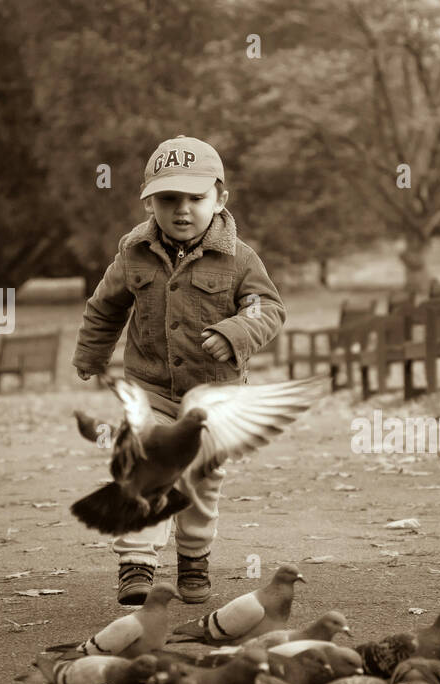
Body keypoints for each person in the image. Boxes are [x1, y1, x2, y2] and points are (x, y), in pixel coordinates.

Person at [71, 136, 285, 605]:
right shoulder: (133, 254)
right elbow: (105, 308)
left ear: (220, 198)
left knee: (201, 481)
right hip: (149, 392)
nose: (182, 210)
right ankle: (137, 565)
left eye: (196, 198)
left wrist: (235, 332)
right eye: (169, 199)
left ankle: (193, 558)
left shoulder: (240, 258)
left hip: (212, 404)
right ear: (150, 202)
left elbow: (267, 309)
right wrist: (91, 355)